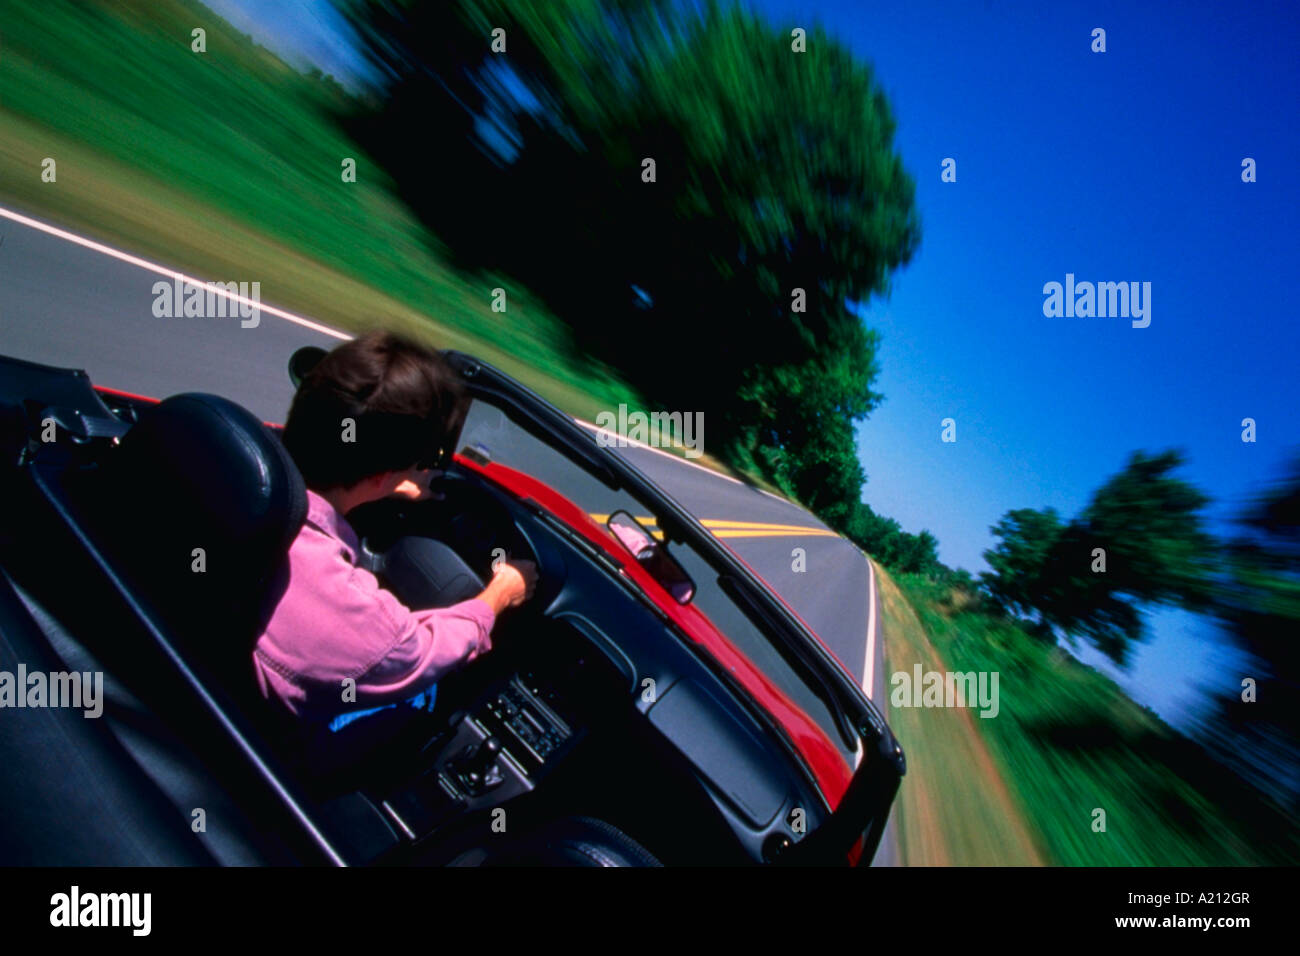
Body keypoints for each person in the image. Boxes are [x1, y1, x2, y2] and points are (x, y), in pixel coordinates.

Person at [253, 330, 536, 734]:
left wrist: (383, 481)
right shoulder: (367, 629)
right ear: (385, 473)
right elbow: (422, 653)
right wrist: (500, 593)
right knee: (426, 697)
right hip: (251, 743)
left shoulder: (205, 450)